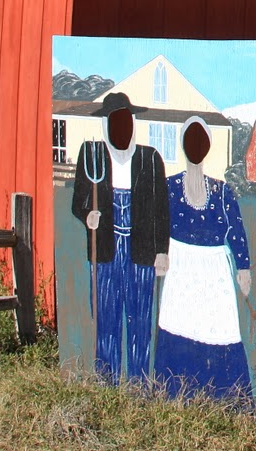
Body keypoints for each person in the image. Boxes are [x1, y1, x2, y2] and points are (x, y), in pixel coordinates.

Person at [70, 90, 169, 383]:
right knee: (107, 319)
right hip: (105, 252)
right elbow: (78, 200)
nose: (121, 129)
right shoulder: (92, 155)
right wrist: (88, 214)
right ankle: (106, 380)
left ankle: (139, 384)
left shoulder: (150, 159)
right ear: (106, 124)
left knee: (140, 319)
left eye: (126, 121)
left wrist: (161, 252)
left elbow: (161, 210)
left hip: (141, 251)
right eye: (115, 122)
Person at [155, 115, 254, 402]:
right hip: (181, 269)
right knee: (180, 324)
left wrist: (243, 267)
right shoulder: (169, 187)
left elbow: (236, 231)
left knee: (217, 329)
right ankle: (175, 394)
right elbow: (160, 224)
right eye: (190, 141)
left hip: (214, 273)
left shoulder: (223, 192)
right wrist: (161, 254)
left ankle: (224, 397)